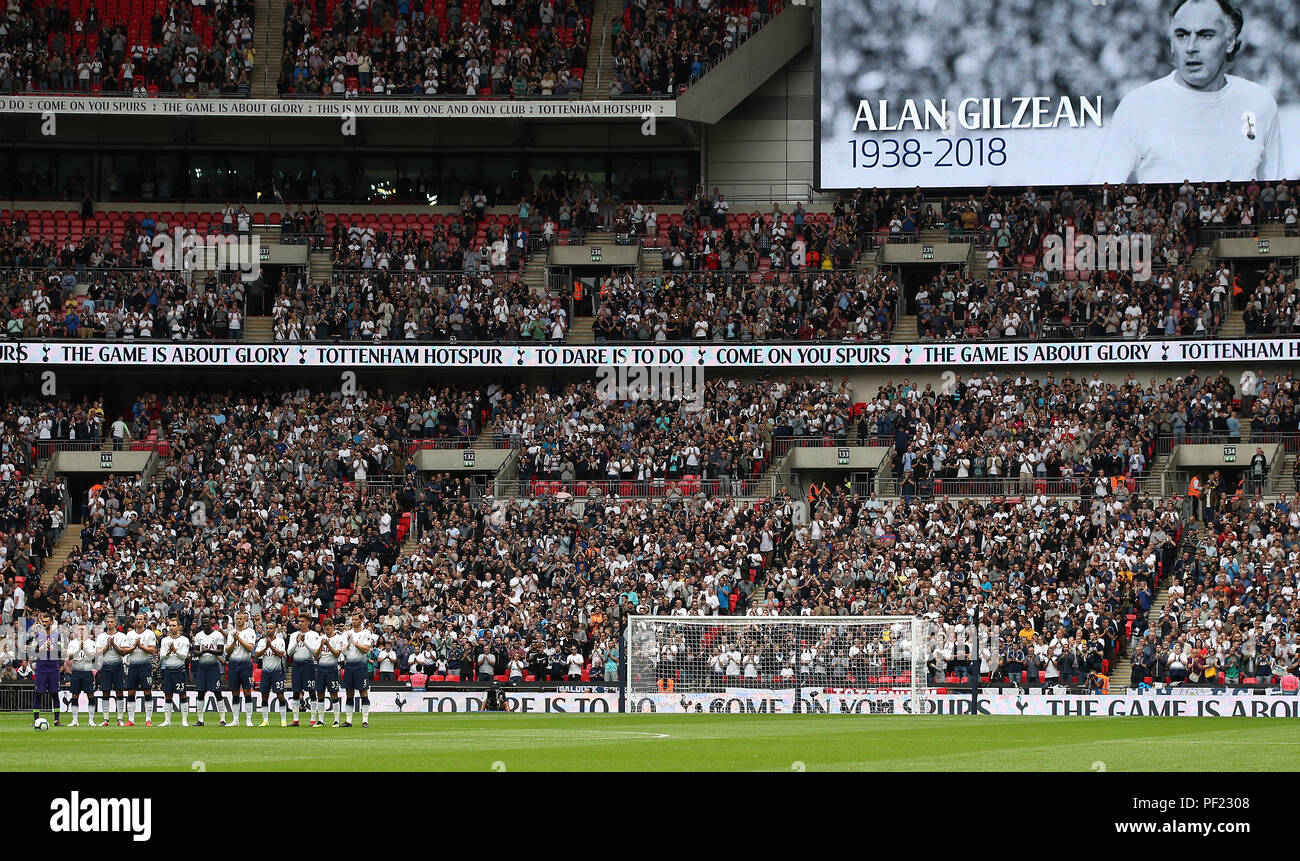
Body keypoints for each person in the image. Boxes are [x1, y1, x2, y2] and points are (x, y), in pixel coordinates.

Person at [1091, 0, 1281, 184]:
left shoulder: (1259, 102)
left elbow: (1273, 195)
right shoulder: (1138, 105)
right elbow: (1100, 193)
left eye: (1205, 35)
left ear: (1230, 42)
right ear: (1172, 43)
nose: (1191, 47)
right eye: (1181, 35)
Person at [192, 619, 231, 726]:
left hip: (213, 667)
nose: (205, 624)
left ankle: (222, 719)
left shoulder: (218, 635)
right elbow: (195, 651)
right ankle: (200, 720)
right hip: (202, 667)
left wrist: (208, 651)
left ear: (211, 624)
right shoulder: (199, 635)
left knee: (217, 692)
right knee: (200, 693)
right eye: (203, 623)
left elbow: (220, 651)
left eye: (206, 623)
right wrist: (201, 652)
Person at [124, 613, 158, 727]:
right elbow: (124, 650)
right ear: (134, 622)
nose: (138, 621)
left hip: (145, 666)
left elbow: (153, 650)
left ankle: (148, 719)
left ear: (145, 621)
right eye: (137, 619)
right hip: (133, 666)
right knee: (131, 692)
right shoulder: (129, 634)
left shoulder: (150, 634)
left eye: (141, 619)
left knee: (147, 691)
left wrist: (141, 646)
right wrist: (134, 647)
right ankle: (131, 720)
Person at [342, 611, 375, 727]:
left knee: (363, 692)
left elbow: (365, 650)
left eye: (356, 619)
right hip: (349, 665)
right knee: (349, 693)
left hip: (360, 666)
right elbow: (344, 651)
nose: (354, 621)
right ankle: (348, 720)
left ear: (361, 620)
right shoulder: (347, 633)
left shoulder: (366, 633)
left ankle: (365, 720)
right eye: (353, 619)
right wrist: (346, 646)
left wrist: (354, 643)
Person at [224, 611, 257, 727]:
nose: (238, 621)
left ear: (245, 619)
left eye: (241, 619)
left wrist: (239, 638)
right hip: (233, 664)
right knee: (235, 692)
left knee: (247, 691)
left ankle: (248, 719)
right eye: (237, 618)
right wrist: (234, 640)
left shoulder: (250, 632)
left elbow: (250, 648)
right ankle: (235, 720)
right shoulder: (231, 633)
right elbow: (227, 651)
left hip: (245, 664)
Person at [30, 613, 63, 727]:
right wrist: (42, 647)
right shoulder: (38, 636)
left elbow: (60, 652)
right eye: (43, 622)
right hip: (41, 668)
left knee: (55, 693)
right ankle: (36, 720)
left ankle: (56, 720)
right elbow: (33, 651)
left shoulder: (57, 636)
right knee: (38, 693)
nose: (44, 623)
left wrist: (53, 649)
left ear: (52, 622)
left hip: (53, 668)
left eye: (46, 621)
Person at [96, 620, 131, 726]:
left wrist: (114, 644)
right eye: (108, 622)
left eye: (112, 622)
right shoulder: (101, 636)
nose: (109, 623)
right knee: (105, 692)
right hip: (105, 667)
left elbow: (124, 652)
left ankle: (120, 719)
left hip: (118, 666)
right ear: (105, 623)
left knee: (119, 691)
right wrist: (107, 646)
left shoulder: (122, 636)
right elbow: (98, 653)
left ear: (115, 623)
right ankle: (106, 719)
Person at [255, 620, 289, 727]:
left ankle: (283, 720)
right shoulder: (261, 642)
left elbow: (281, 654)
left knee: (280, 695)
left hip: (277, 672)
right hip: (265, 672)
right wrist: (266, 647)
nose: (269, 630)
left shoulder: (280, 641)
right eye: (267, 628)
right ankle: (265, 720)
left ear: (274, 630)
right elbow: (256, 656)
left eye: (271, 628)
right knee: (264, 695)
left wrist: (271, 646)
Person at [313, 617, 346, 727]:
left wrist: (328, 645)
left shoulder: (338, 638)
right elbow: (315, 655)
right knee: (320, 694)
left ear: (332, 627)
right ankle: (320, 720)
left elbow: (337, 654)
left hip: (332, 669)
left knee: (334, 694)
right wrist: (322, 645)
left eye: (328, 629)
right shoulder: (320, 638)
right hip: (321, 669)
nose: (327, 631)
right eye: (325, 629)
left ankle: (336, 720)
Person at [287, 616, 318, 726]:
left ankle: (313, 719)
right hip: (296, 665)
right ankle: (296, 720)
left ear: (308, 622)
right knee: (295, 691)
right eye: (299, 621)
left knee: (311, 691)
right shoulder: (294, 635)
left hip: (308, 665)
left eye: (302, 621)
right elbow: (289, 652)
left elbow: (315, 652)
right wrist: (296, 642)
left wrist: (305, 642)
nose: (300, 623)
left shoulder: (314, 635)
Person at [158, 619, 190, 727]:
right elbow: (161, 656)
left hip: (179, 670)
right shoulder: (164, 640)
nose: (172, 627)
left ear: (178, 627)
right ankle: (167, 720)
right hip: (168, 670)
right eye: (170, 625)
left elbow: (184, 656)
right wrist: (168, 651)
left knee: (182, 694)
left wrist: (175, 650)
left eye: (174, 625)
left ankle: (184, 720)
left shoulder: (184, 640)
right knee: (167, 695)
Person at [66, 624, 98, 727]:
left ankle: (91, 720)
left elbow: (93, 657)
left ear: (87, 631)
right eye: (79, 629)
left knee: (90, 695)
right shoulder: (72, 643)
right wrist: (78, 649)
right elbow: (69, 657)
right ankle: (75, 720)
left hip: (87, 671)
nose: (81, 631)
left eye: (83, 629)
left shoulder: (91, 643)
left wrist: (84, 649)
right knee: (75, 695)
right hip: (76, 671)